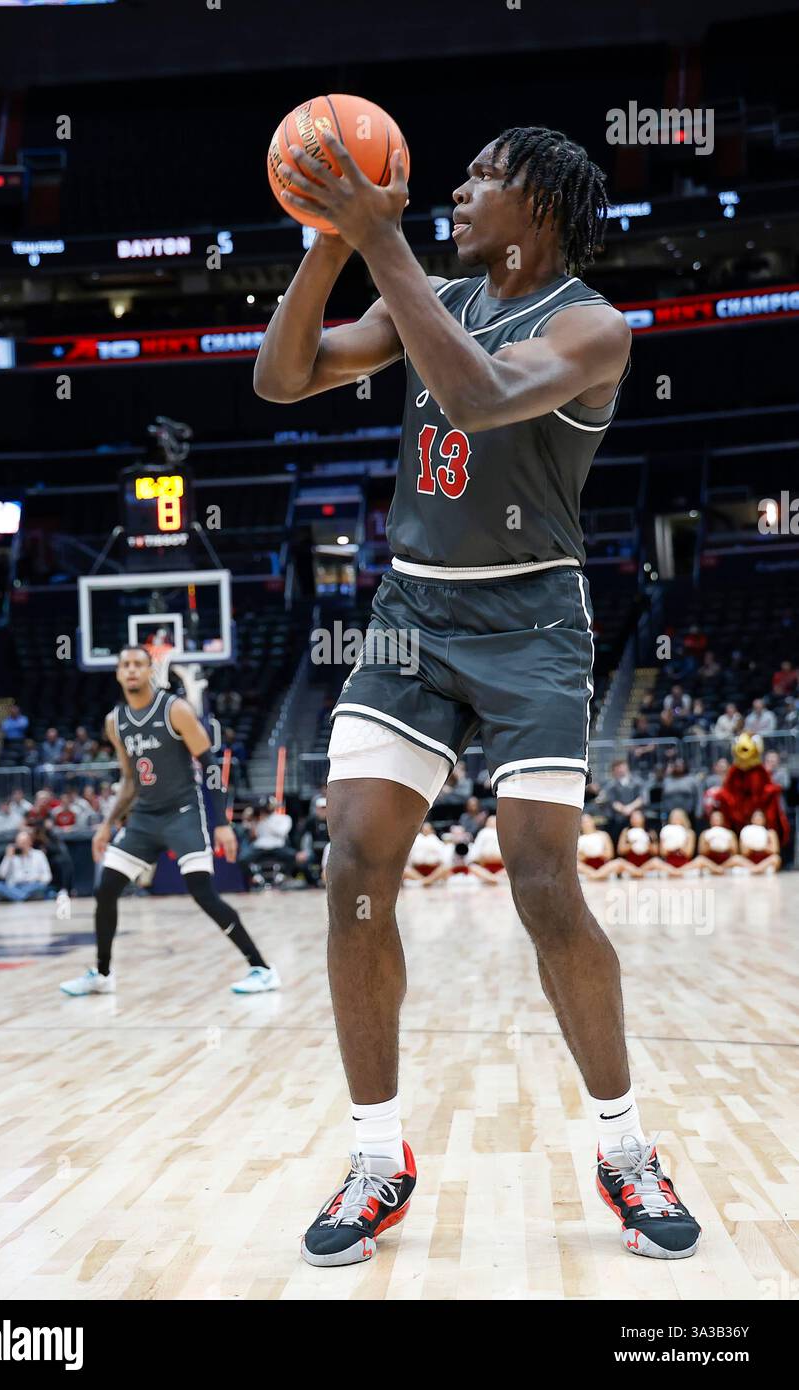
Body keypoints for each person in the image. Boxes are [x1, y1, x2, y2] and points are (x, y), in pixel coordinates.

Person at [256, 122, 699, 1262]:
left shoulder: (594, 326)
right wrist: (325, 243)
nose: (457, 187)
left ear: (540, 206)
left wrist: (386, 243)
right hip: (413, 613)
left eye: (485, 177)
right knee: (353, 858)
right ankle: (374, 1154)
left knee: (545, 883)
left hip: (534, 620)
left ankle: (623, 1144)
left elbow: (481, 395)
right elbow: (283, 377)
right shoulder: (433, 287)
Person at [59, 647, 278, 997]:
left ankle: (262, 969)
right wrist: (107, 823)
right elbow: (129, 780)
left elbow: (209, 764)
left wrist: (221, 821)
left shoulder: (174, 709)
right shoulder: (115, 721)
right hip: (144, 818)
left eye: (138, 664)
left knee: (202, 892)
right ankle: (102, 974)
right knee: (106, 889)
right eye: (125, 665)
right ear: (117, 673)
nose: (131, 670)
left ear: (150, 671)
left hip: (183, 813)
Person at [0, 828, 52, 902]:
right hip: (14, 887)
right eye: (19, 843)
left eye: (24, 842)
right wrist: (8, 858)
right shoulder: (11, 856)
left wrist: (37, 878)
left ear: (30, 842)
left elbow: (48, 877)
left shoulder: (39, 854)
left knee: (41, 887)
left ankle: (16, 897)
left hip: (32, 886)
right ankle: (24, 898)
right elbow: (1, 875)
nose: (21, 845)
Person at [616, 809, 658, 877]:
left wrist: (646, 844)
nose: (635, 819)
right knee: (619, 861)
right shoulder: (626, 831)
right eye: (633, 817)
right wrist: (632, 844)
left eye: (637, 817)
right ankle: (638, 872)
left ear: (643, 818)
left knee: (656, 861)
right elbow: (620, 850)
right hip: (630, 866)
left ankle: (639, 872)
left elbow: (656, 852)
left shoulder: (650, 832)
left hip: (646, 865)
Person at [576, 814, 617, 880]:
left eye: (588, 821)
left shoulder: (603, 835)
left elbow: (610, 855)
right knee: (575, 865)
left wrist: (597, 852)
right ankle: (598, 875)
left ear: (593, 822)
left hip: (603, 866)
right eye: (583, 822)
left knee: (618, 862)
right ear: (580, 825)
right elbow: (577, 859)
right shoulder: (578, 838)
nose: (586, 824)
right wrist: (586, 854)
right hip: (586, 867)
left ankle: (594, 875)